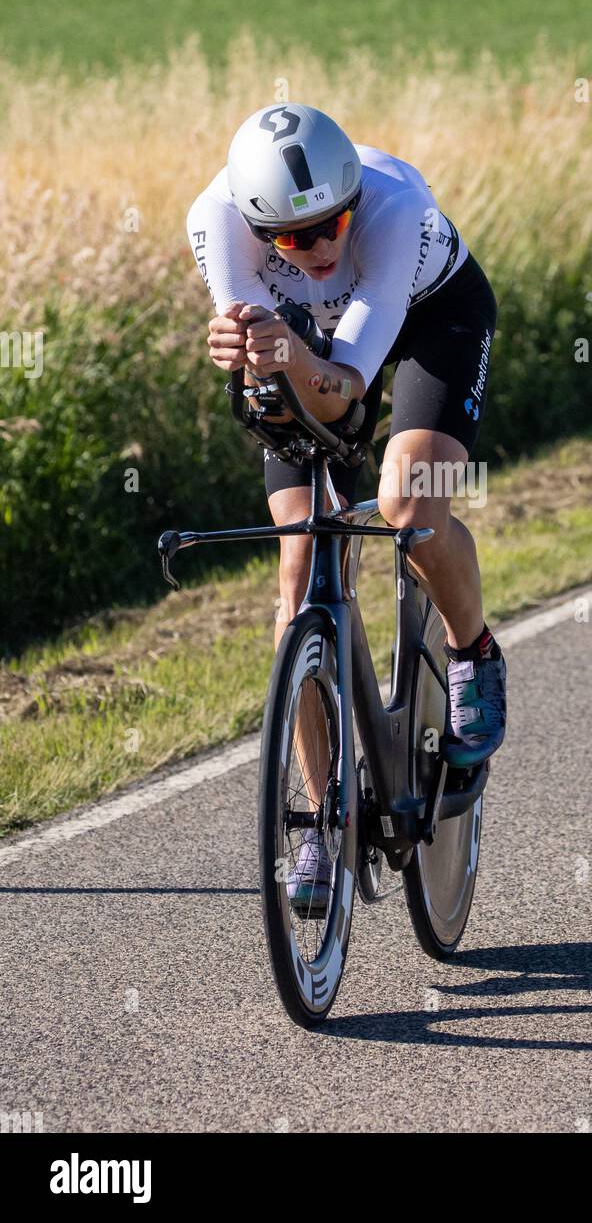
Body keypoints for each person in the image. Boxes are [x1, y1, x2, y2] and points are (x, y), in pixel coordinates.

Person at [187, 103, 506, 909]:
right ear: (259, 230)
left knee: (411, 506)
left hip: (430, 320)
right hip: (303, 346)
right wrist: (249, 351)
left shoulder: (395, 212)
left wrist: (290, 355)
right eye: (294, 240)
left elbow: (349, 395)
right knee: (296, 578)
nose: (322, 249)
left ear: (354, 199)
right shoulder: (216, 221)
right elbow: (272, 389)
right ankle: (313, 823)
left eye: (334, 224)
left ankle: (473, 653)